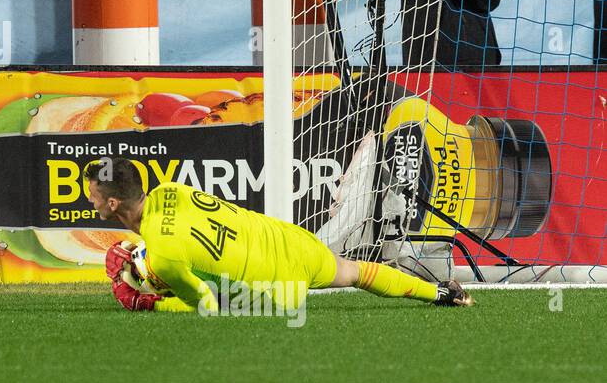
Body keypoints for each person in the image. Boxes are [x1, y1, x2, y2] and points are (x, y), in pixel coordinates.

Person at [84, 158, 474, 314]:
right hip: (293, 242)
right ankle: (442, 292)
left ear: (114, 203)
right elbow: (181, 233)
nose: (90, 203)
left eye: (93, 198)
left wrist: (146, 301)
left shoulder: (165, 256)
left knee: (224, 298)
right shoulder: (172, 190)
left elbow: (206, 306)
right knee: (354, 272)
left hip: (279, 292)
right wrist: (145, 255)